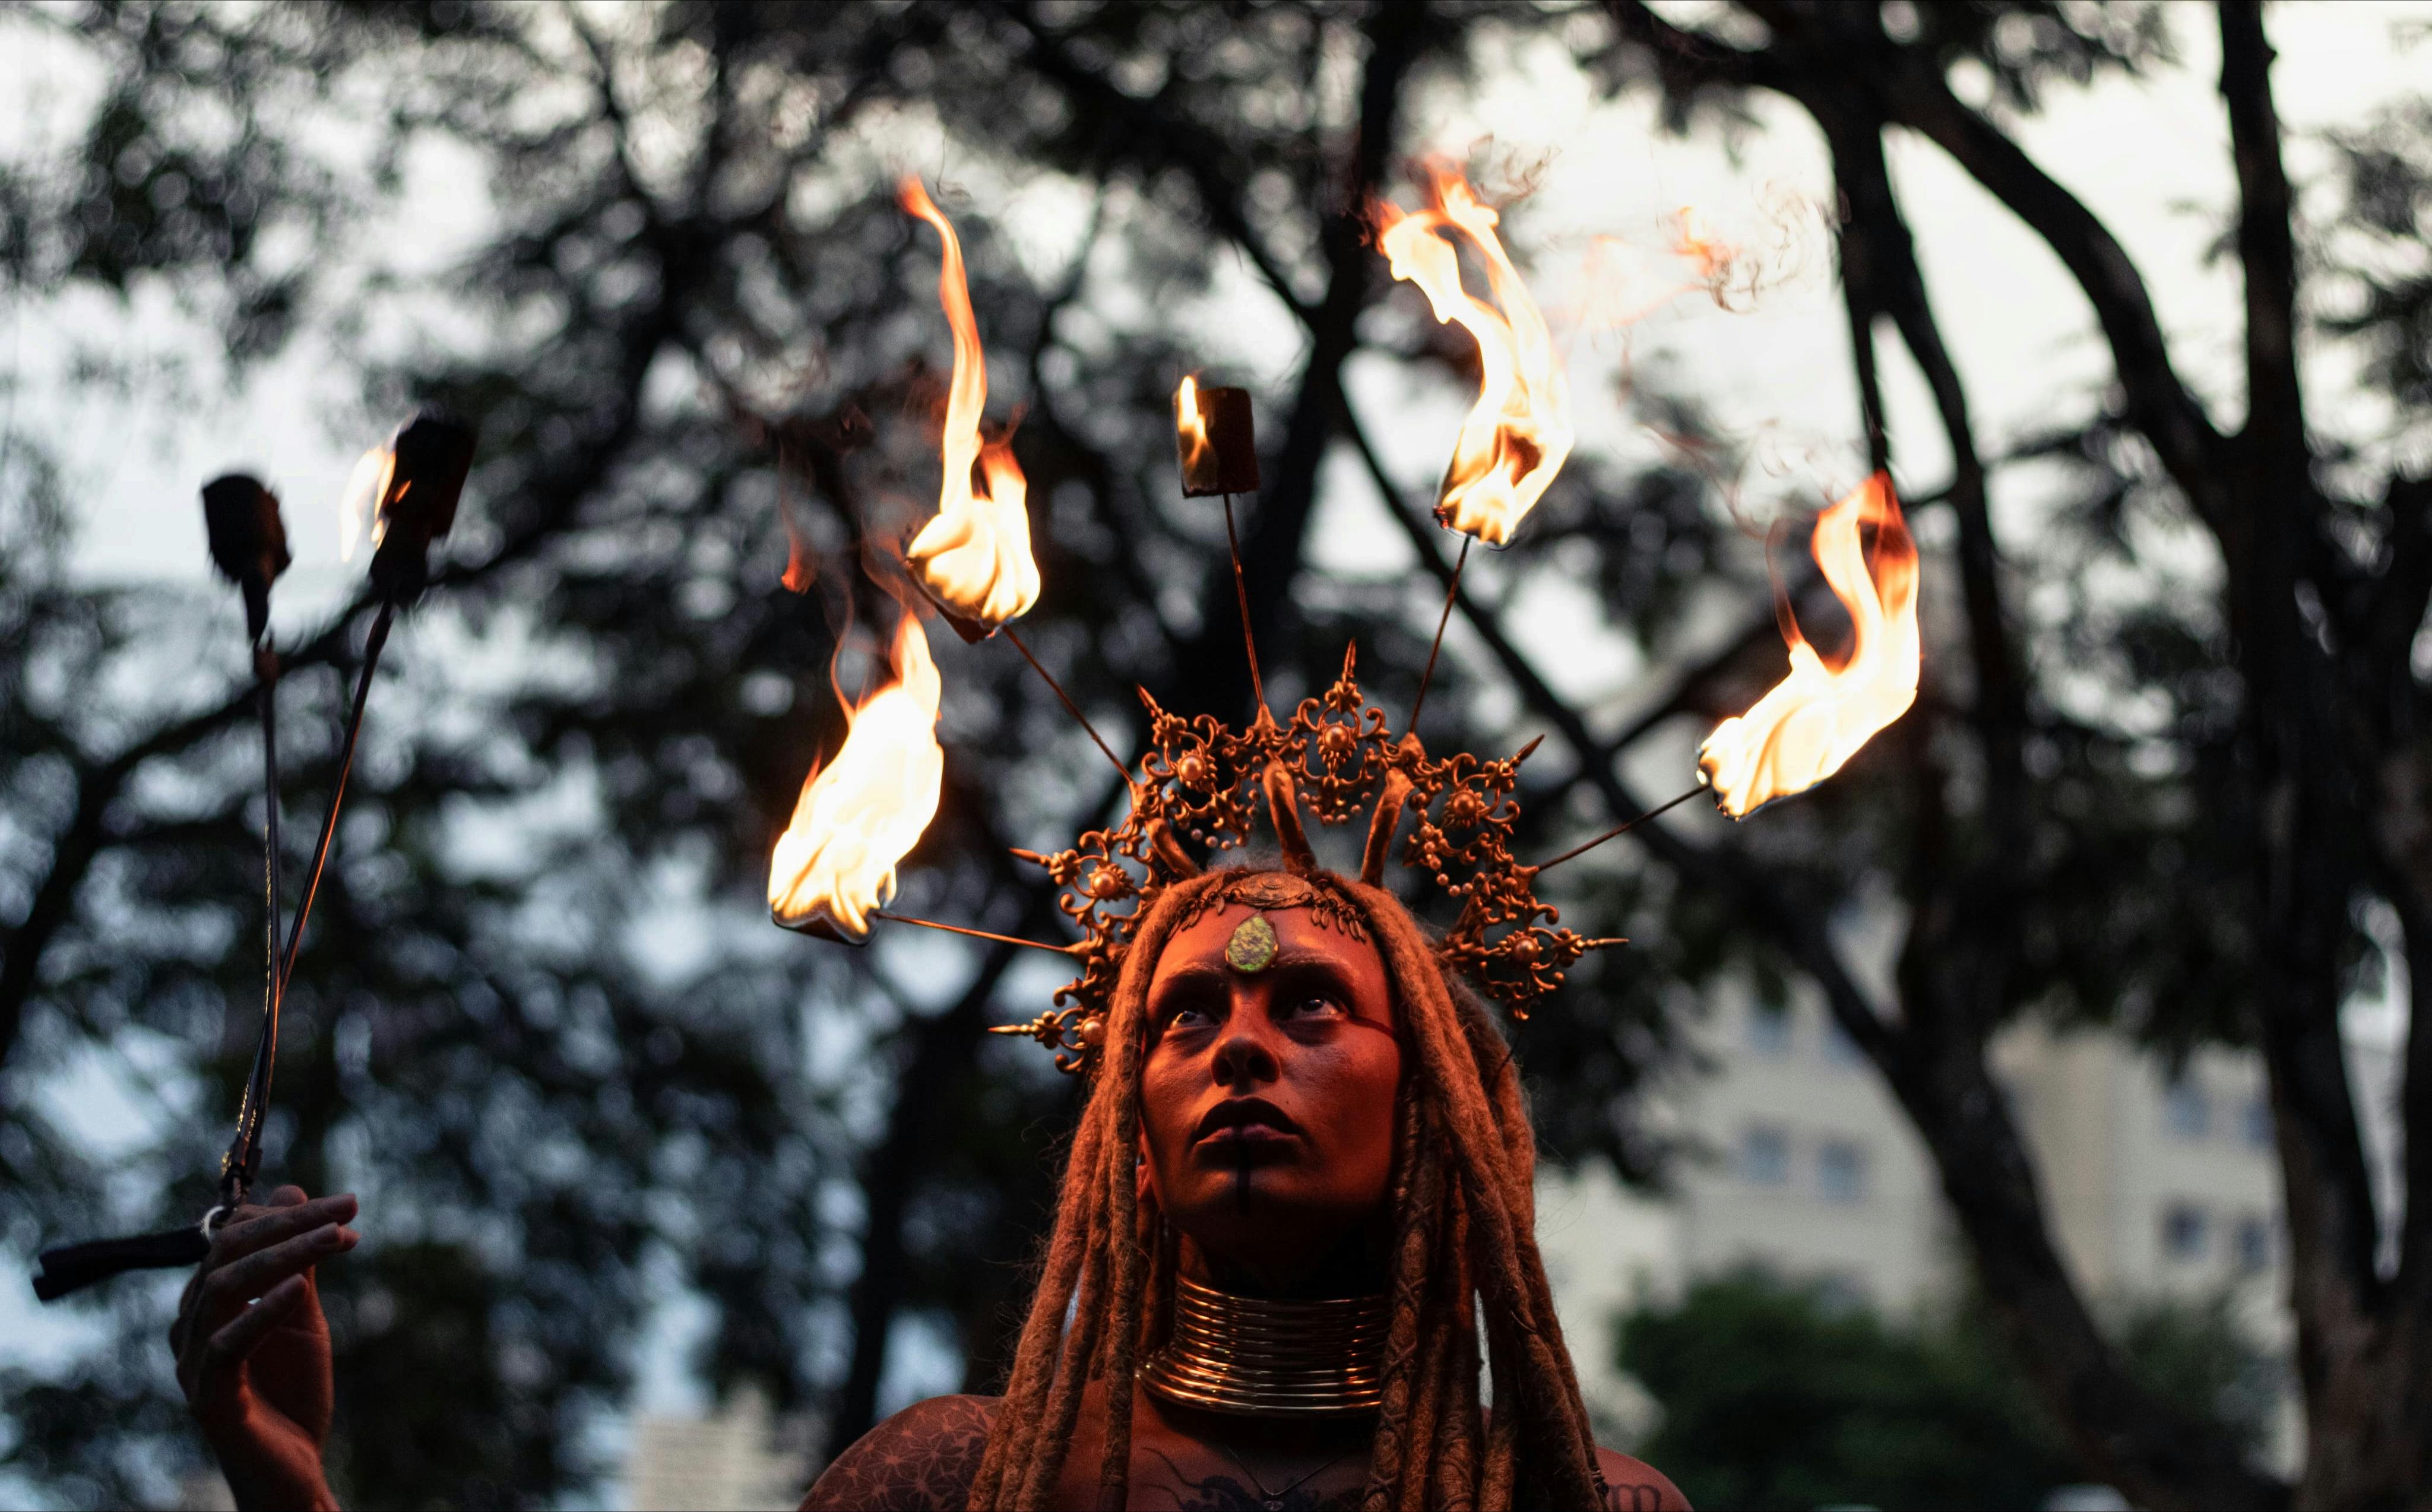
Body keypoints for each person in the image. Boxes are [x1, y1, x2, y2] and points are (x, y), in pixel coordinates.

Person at [175, 867, 1687, 1510]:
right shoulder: (951, 1482)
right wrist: (289, 1480)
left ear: (1434, 1109)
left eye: (1307, 1007)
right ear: (1121, 1134)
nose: (1234, 1046)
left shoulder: (1585, 1501)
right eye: (1181, 1017)